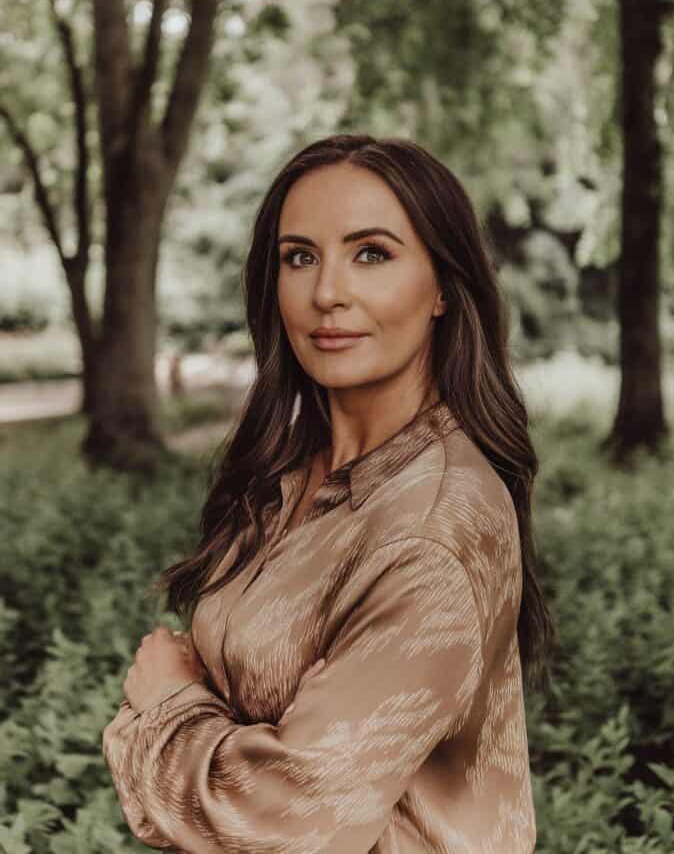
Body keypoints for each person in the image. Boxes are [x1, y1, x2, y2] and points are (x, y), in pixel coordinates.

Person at [102, 134, 555, 852]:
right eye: (299, 256)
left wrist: (165, 707)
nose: (326, 293)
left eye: (370, 253)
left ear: (441, 284)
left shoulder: (429, 529)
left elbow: (292, 817)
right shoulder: (291, 478)